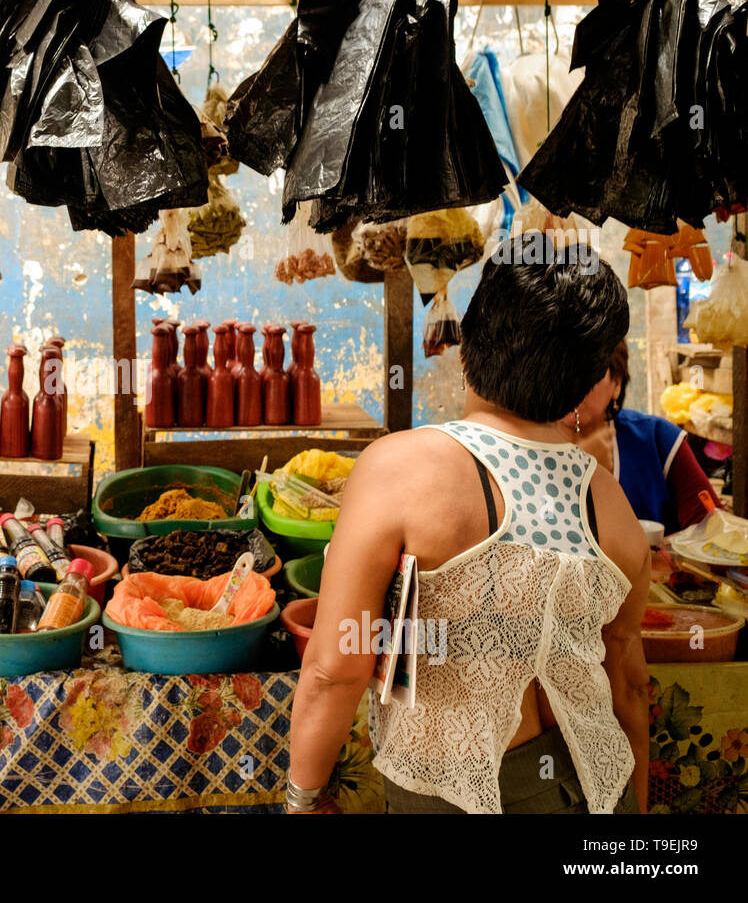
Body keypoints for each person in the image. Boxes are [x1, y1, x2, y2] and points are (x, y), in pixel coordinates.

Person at [287, 232, 650, 815]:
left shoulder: (399, 469)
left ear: (466, 344)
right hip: (599, 783)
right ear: (588, 383)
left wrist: (300, 801)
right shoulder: (613, 508)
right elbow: (628, 685)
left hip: (457, 793)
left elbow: (335, 670)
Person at [560, 340, 719, 533]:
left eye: (589, 371)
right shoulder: (528, 445)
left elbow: (712, 533)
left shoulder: (658, 440)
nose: (571, 383)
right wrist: (581, 473)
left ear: (617, 384)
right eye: (559, 368)